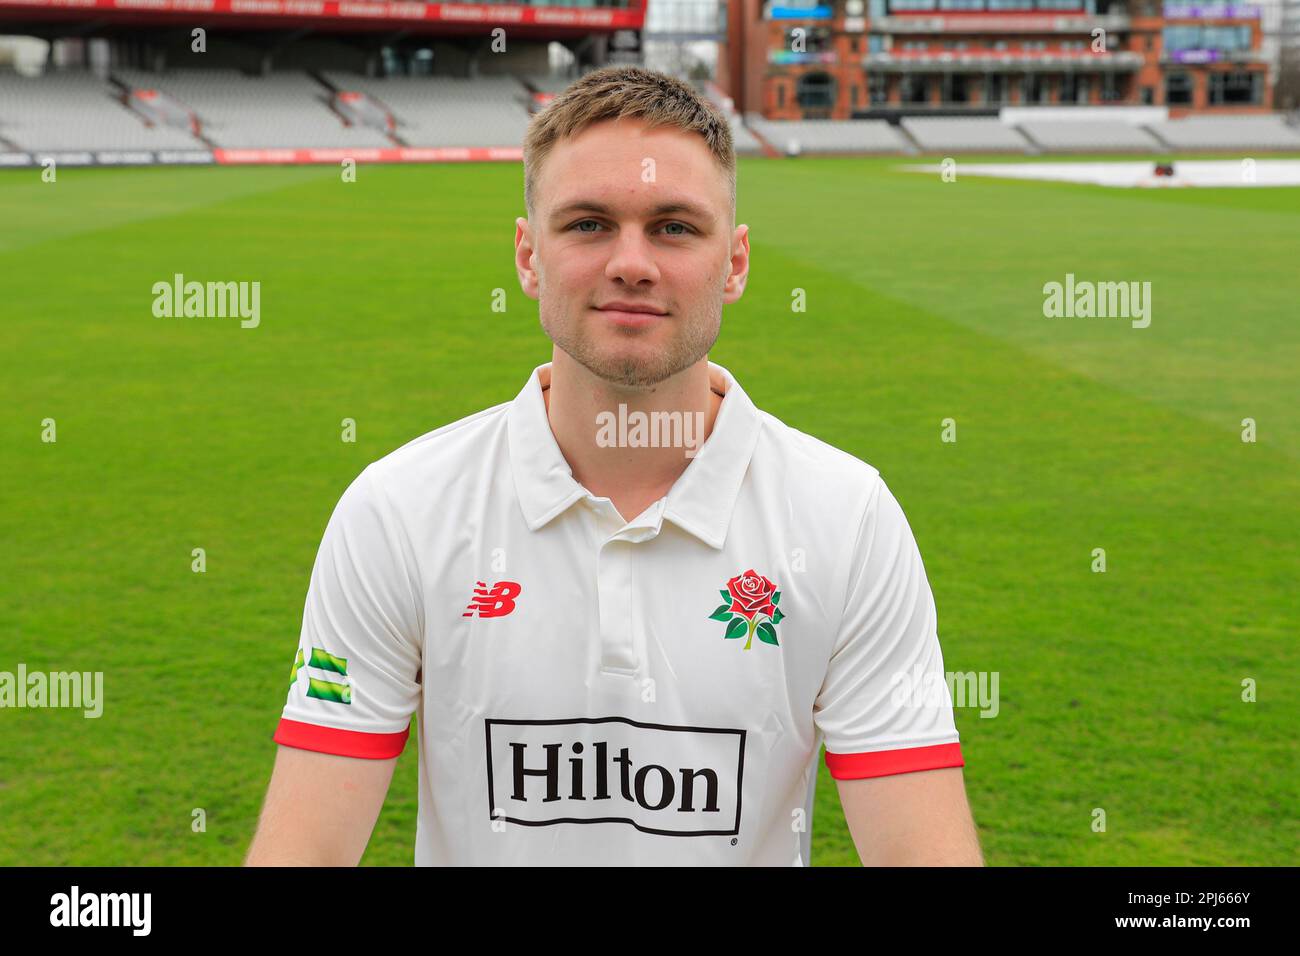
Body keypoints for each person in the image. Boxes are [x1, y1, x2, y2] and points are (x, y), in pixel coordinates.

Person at [245, 65, 982, 866]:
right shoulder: (396, 510)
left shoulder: (849, 519)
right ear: (529, 257)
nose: (632, 263)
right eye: (589, 224)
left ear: (734, 264)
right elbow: (304, 851)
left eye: (673, 227)